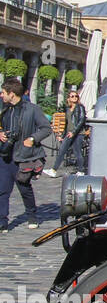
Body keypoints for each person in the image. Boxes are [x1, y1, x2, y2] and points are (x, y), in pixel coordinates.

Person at [0, 77, 52, 232]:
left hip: (24, 156)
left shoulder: (32, 109)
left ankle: (32, 215)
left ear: (11, 93)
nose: (1, 95)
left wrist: (33, 138)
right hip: (5, 155)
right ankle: (2, 221)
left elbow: (46, 128)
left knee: (24, 188)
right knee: (2, 190)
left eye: (3, 92)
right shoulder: (4, 108)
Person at [47, 89, 87, 178]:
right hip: (69, 133)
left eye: (76, 96)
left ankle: (81, 171)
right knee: (62, 151)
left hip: (78, 133)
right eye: (72, 96)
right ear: (68, 98)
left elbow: (81, 120)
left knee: (77, 152)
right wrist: (63, 135)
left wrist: (74, 132)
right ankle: (53, 170)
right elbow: (67, 123)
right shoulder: (68, 109)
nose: (75, 98)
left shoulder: (80, 107)